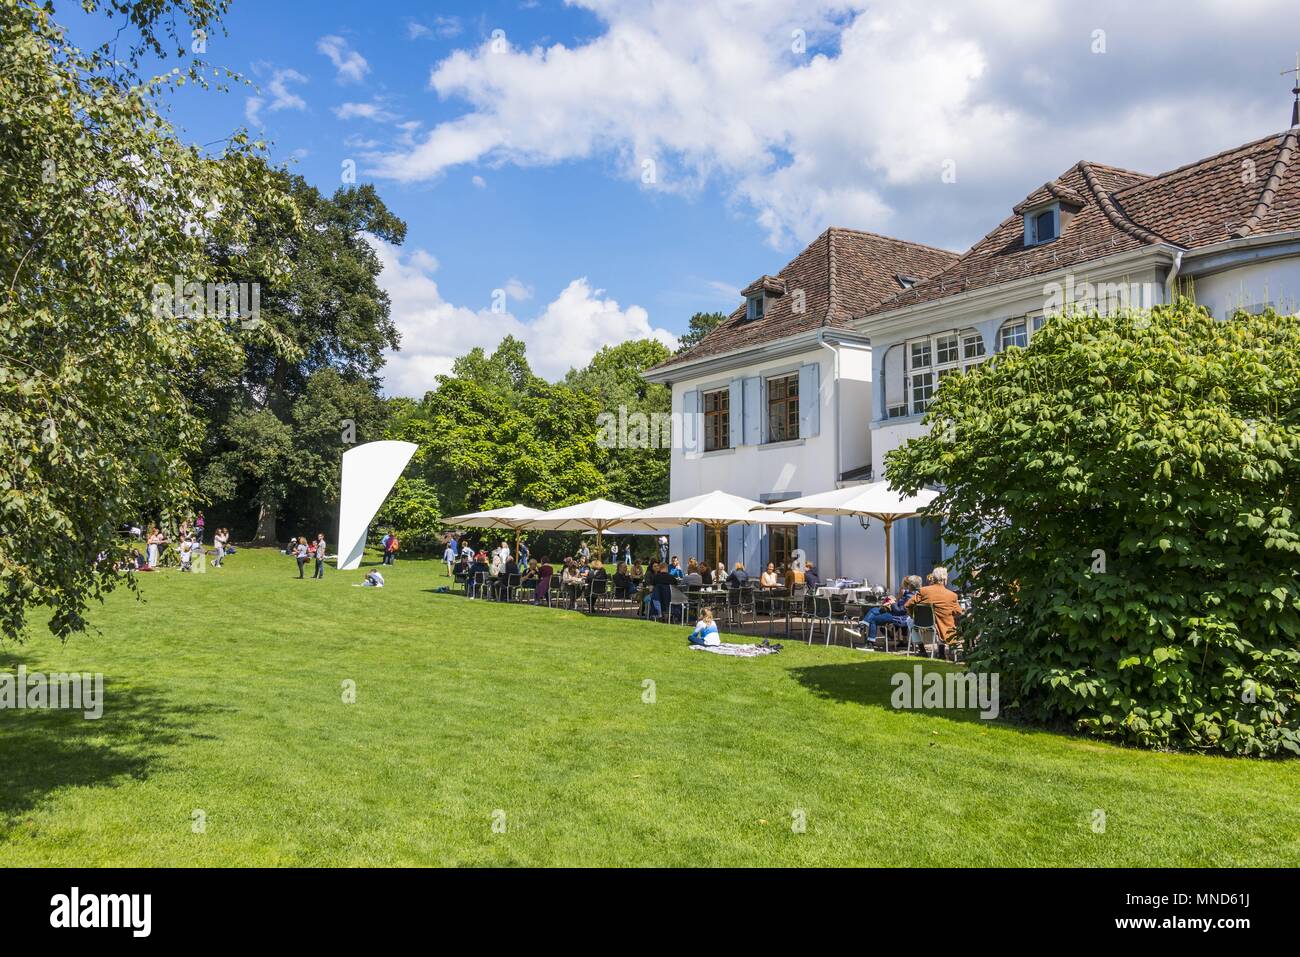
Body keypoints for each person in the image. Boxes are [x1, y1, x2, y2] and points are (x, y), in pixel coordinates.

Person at [906, 566, 965, 657]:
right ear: (945, 579)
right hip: (944, 627)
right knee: (943, 622)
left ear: (933, 578)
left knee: (909, 621)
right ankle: (941, 653)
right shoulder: (952, 595)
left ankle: (922, 650)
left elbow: (907, 605)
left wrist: (914, 616)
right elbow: (958, 612)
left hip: (922, 624)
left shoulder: (923, 590)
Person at [847, 575, 920, 647]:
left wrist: (892, 602)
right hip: (895, 614)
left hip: (900, 617)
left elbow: (899, 611)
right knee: (873, 609)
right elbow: (900, 606)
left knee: (873, 619)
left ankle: (868, 640)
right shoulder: (909, 594)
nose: (906, 586)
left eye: (908, 584)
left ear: (910, 585)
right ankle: (860, 629)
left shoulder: (910, 596)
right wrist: (893, 602)